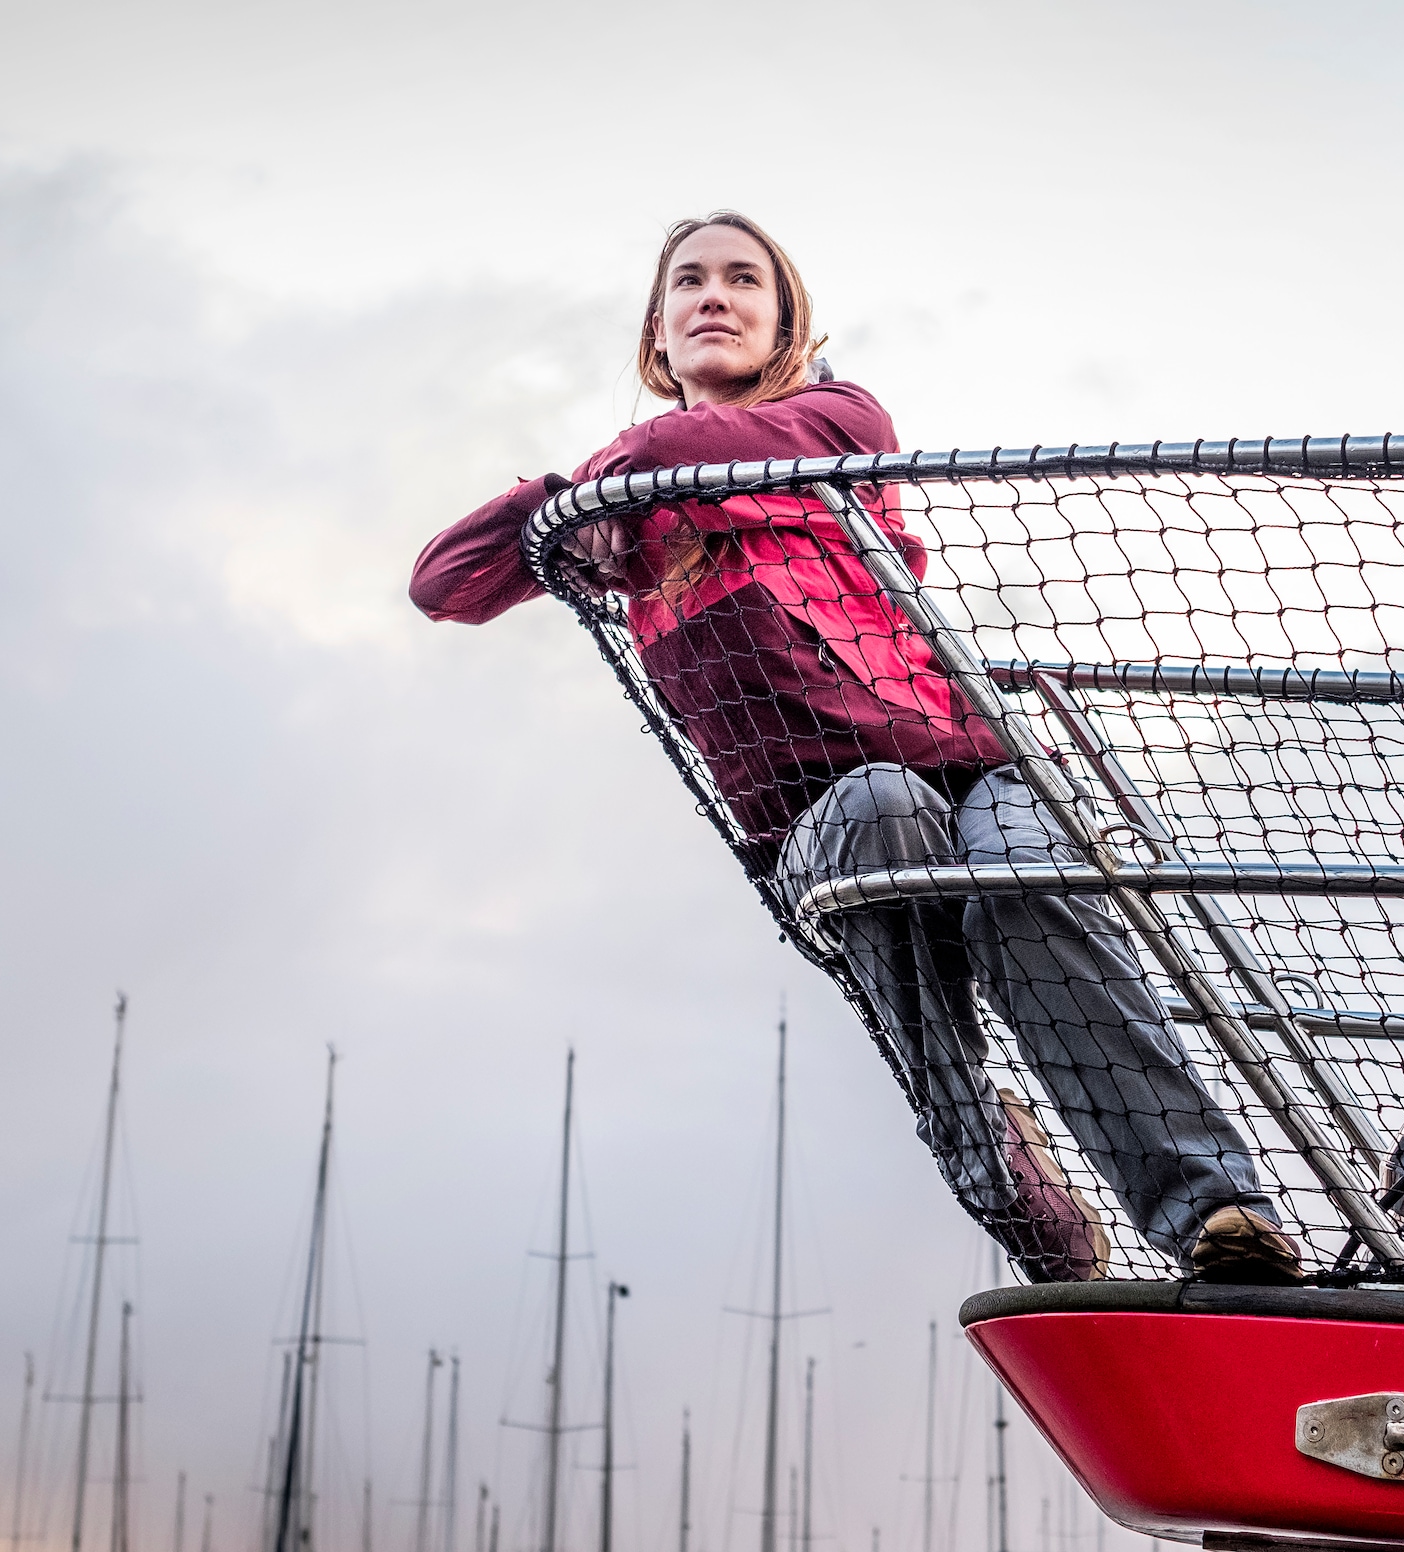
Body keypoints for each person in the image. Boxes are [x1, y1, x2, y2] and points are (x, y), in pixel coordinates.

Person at [410, 212, 1300, 1285]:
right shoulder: (611, 509)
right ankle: (1006, 1180)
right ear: (655, 327)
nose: (713, 297)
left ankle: (1216, 1216)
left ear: (784, 320)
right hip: (819, 818)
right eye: (686, 281)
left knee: (1028, 879)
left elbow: (687, 448)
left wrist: (603, 483)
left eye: (744, 280)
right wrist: (552, 506)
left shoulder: (833, 420)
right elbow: (443, 583)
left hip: (980, 764)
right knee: (880, 809)